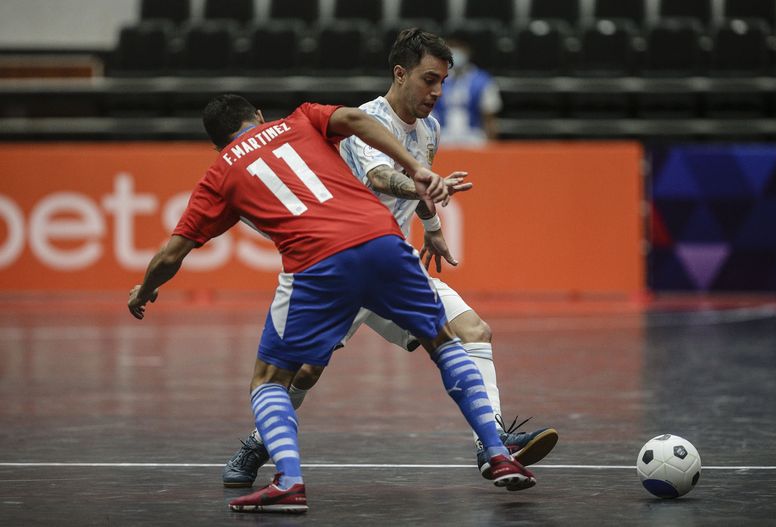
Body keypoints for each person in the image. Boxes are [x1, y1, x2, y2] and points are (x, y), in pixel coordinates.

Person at [128, 94, 537, 513]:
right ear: (258, 117)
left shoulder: (219, 174)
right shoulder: (300, 118)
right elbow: (356, 119)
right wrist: (416, 169)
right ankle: (496, 452)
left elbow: (171, 254)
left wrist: (143, 290)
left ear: (216, 146)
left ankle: (288, 481)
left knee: (270, 379)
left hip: (317, 264)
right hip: (382, 242)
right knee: (445, 341)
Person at [222, 29, 558, 489]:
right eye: (429, 80)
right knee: (304, 371)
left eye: (442, 82)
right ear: (399, 74)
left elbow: (415, 190)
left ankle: (492, 440)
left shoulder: (430, 130)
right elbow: (382, 176)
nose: (437, 92)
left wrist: (433, 228)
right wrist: (423, 183)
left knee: (474, 331)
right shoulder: (366, 120)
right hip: (342, 269)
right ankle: (257, 444)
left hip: (393, 269)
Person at [430, 34, 503, 146]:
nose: (455, 51)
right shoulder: (436, 78)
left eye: (459, 47)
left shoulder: (483, 81)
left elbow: (489, 119)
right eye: (452, 46)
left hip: (473, 137)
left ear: (467, 51)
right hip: (443, 136)